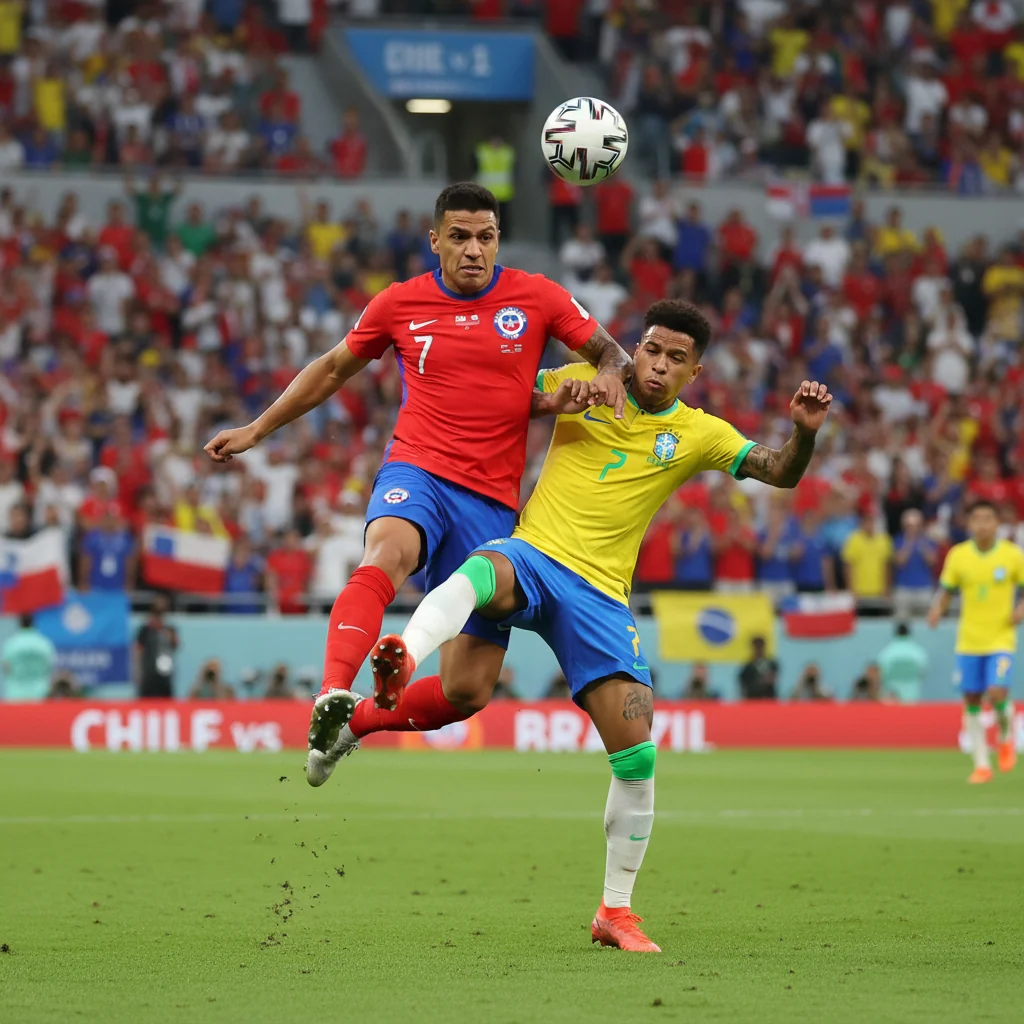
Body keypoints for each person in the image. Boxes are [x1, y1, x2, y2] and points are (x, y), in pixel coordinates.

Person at [309, 300, 831, 952]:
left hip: (603, 599)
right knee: (485, 568)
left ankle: (616, 912)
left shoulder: (702, 433)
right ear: (634, 347)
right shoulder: (575, 382)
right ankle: (405, 653)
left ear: (694, 372)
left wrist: (805, 434)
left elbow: (779, 472)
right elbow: (493, 409)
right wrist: (551, 402)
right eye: (651, 349)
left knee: (637, 752)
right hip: (536, 554)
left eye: (675, 359)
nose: (658, 365)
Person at [204, 183, 631, 782]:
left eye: (485, 236)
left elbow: (613, 353)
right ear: (435, 241)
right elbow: (331, 369)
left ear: (498, 239)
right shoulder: (399, 304)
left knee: (466, 691)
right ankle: (331, 693)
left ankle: (353, 724)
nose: (474, 249)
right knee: (389, 552)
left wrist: (600, 377)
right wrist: (257, 428)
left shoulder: (537, 296)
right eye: (459, 236)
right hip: (419, 468)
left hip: (490, 502)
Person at [928, 499, 1024, 783]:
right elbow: (947, 590)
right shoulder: (959, 555)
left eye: (988, 518)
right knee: (971, 698)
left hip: (1001, 638)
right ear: (969, 524)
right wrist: (937, 610)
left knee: (996, 693)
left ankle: (1005, 738)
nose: (982, 524)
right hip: (969, 640)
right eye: (977, 519)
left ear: (997, 523)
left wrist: (1020, 609)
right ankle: (982, 764)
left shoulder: (1012, 555)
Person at [1, 614, 57, 701]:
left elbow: (7, 668)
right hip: (40, 694)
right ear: (34, 624)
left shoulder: (11, 644)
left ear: (20, 624)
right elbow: (50, 667)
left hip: (15, 694)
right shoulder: (44, 643)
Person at [135, 594, 179, 698]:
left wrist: (165, 632)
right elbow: (138, 651)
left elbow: (176, 644)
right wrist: (138, 674)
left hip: (165, 673)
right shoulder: (145, 629)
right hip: (149, 673)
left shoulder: (169, 629)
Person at [877, 622, 929, 703]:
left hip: (892, 695)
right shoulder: (917, 651)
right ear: (909, 633)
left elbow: (881, 671)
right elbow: (922, 671)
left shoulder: (888, 651)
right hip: (912, 694)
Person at [738, 636, 780, 700]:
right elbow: (743, 683)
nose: (758, 650)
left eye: (760, 647)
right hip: (752, 699)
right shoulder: (748, 667)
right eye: (756, 648)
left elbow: (773, 679)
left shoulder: (771, 664)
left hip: (769, 698)